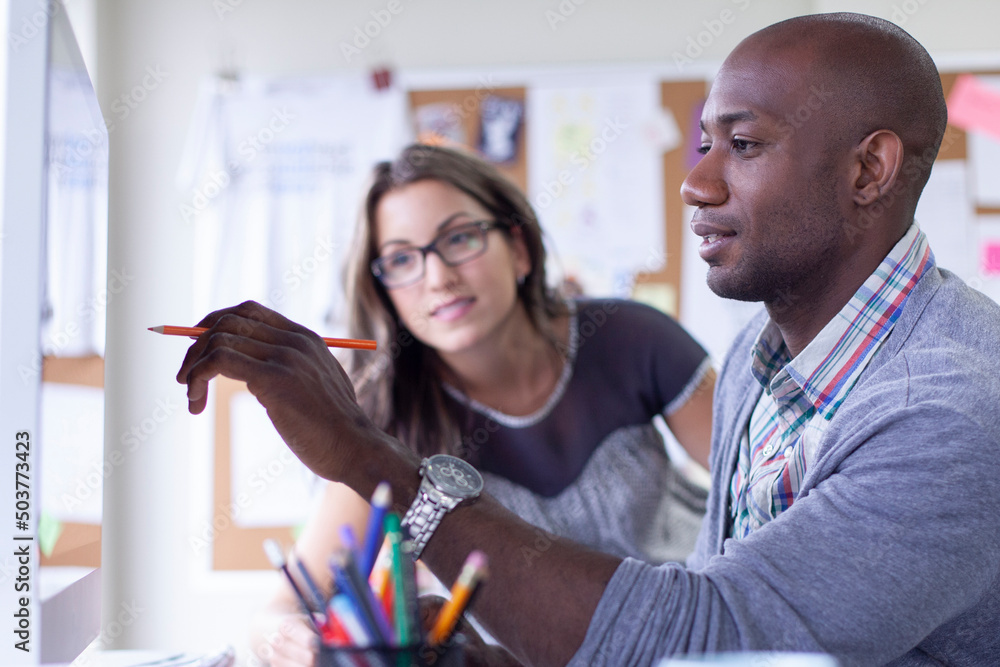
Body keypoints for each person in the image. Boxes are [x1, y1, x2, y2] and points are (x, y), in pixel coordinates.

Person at [178, 12, 1000, 666]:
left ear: (869, 171)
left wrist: (364, 454)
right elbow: (724, 597)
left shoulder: (946, 411)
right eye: (705, 142)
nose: (695, 181)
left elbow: (717, 636)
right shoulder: (767, 351)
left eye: (742, 146)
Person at [248, 144, 716, 665]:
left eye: (459, 238)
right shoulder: (385, 414)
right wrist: (290, 642)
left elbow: (764, 494)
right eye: (402, 259)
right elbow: (284, 607)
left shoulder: (632, 337)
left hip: (687, 643)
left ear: (517, 248)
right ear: (385, 293)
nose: (438, 277)